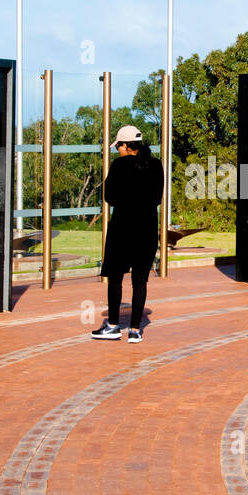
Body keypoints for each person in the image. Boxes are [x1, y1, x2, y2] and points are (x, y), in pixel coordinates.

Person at [91, 124, 164, 344]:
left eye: (118, 146)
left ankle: (113, 326)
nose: (117, 150)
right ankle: (134, 330)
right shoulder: (156, 164)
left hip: (122, 229)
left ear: (125, 145)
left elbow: (109, 197)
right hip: (147, 230)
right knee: (140, 282)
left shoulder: (119, 165)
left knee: (115, 278)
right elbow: (157, 198)